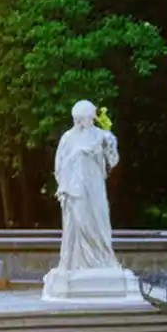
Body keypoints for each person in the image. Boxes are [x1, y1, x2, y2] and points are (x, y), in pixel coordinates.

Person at [53, 100, 120, 271]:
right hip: (76, 189)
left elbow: (113, 161)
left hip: (95, 186)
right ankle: (77, 262)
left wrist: (110, 144)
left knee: (99, 221)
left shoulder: (100, 135)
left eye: (91, 117)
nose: (90, 120)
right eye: (87, 118)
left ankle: (103, 258)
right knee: (79, 223)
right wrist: (64, 186)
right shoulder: (68, 138)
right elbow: (59, 166)